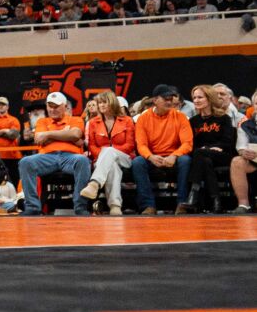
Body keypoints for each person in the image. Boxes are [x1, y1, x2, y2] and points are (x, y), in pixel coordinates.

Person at [18, 92, 91, 215]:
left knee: (83, 161)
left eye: (56, 106)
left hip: (70, 157)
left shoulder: (76, 119)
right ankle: (32, 207)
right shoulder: (42, 121)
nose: (52, 109)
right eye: (50, 106)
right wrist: (65, 134)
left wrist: (48, 134)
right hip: (47, 157)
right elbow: (39, 139)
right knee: (25, 162)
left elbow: (75, 134)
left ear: (65, 107)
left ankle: (80, 207)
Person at [132, 84, 194, 214]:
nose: (169, 101)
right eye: (165, 98)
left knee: (185, 160)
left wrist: (174, 155)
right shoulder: (143, 118)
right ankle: (148, 206)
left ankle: (182, 204)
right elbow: (141, 145)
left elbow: (187, 143)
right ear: (155, 100)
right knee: (138, 162)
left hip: (174, 157)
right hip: (154, 157)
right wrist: (150, 157)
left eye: (171, 99)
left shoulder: (180, 117)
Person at [79, 91, 135, 214]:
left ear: (113, 103)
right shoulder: (93, 122)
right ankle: (115, 206)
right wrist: (104, 155)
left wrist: (109, 151)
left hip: (124, 157)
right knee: (112, 167)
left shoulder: (127, 121)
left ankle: (94, 183)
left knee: (109, 151)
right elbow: (92, 146)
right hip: (101, 160)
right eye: (99, 103)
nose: (102, 105)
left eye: (105, 102)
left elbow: (129, 146)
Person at [183, 84, 236, 212]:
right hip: (201, 156)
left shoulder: (224, 118)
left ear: (210, 99)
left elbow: (227, 142)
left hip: (222, 155)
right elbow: (192, 143)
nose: (196, 100)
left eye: (200, 97)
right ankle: (216, 201)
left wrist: (212, 148)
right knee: (204, 160)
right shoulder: (193, 121)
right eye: (194, 97)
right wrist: (206, 149)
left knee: (200, 153)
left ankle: (194, 193)